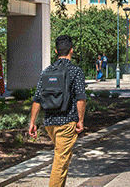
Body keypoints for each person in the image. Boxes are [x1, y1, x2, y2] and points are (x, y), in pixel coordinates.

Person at [28, 35, 87, 187]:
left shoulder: (46, 71)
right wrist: (80, 120)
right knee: (60, 161)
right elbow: (80, 98)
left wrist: (32, 122)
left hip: (50, 123)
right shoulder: (76, 71)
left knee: (63, 158)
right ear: (72, 51)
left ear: (56, 51)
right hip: (67, 123)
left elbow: (37, 99)